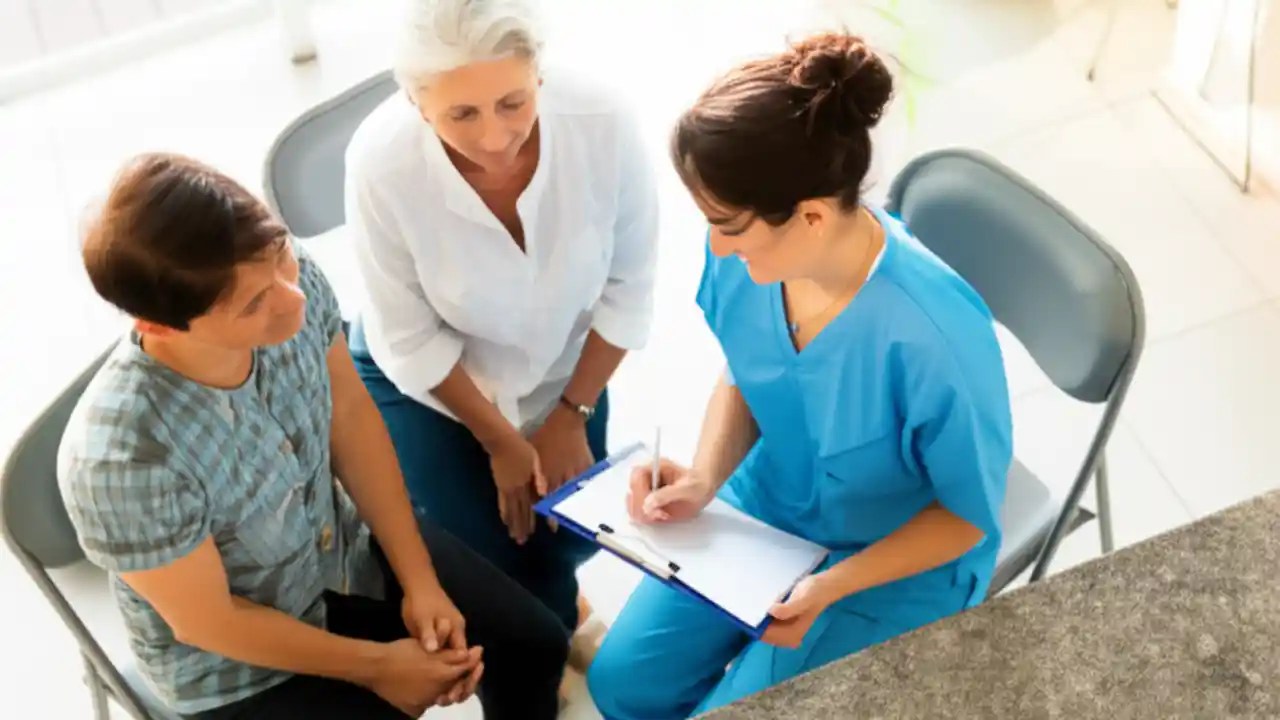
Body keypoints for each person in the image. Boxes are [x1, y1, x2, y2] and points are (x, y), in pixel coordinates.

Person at [587, 33, 1014, 719]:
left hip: (893, 563)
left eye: (728, 225)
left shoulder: (934, 341)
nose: (715, 244)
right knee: (622, 687)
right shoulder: (747, 259)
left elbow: (966, 518)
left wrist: (830, 587)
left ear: (811, 216)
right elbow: (751, 368)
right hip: (775, 501)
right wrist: (705, 476)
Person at [58, 153, 569, 720]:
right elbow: (211, 621)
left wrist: (420, 581)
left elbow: (350, 416)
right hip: (239, 664)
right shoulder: (121, 460)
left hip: (340, 551)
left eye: (279, 254)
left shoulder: (281, 273)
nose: (292, 297)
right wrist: (377, 667)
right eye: (253, 304)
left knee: (533, 645)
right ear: (156, 326)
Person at [343, 0, 658, 651]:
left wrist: (571, 412)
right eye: (462, 113)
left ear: (539, 75)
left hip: (564, 370)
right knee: (490, 561)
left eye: (513, 102)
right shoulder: (380, 164)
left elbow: (629, 289)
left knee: (565, 530)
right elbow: (408, 339)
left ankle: (561, 607)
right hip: (429, 383)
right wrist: (501, 441)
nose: (494, 137)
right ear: (416, 102)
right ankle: (542, 632)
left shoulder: (602, 122)